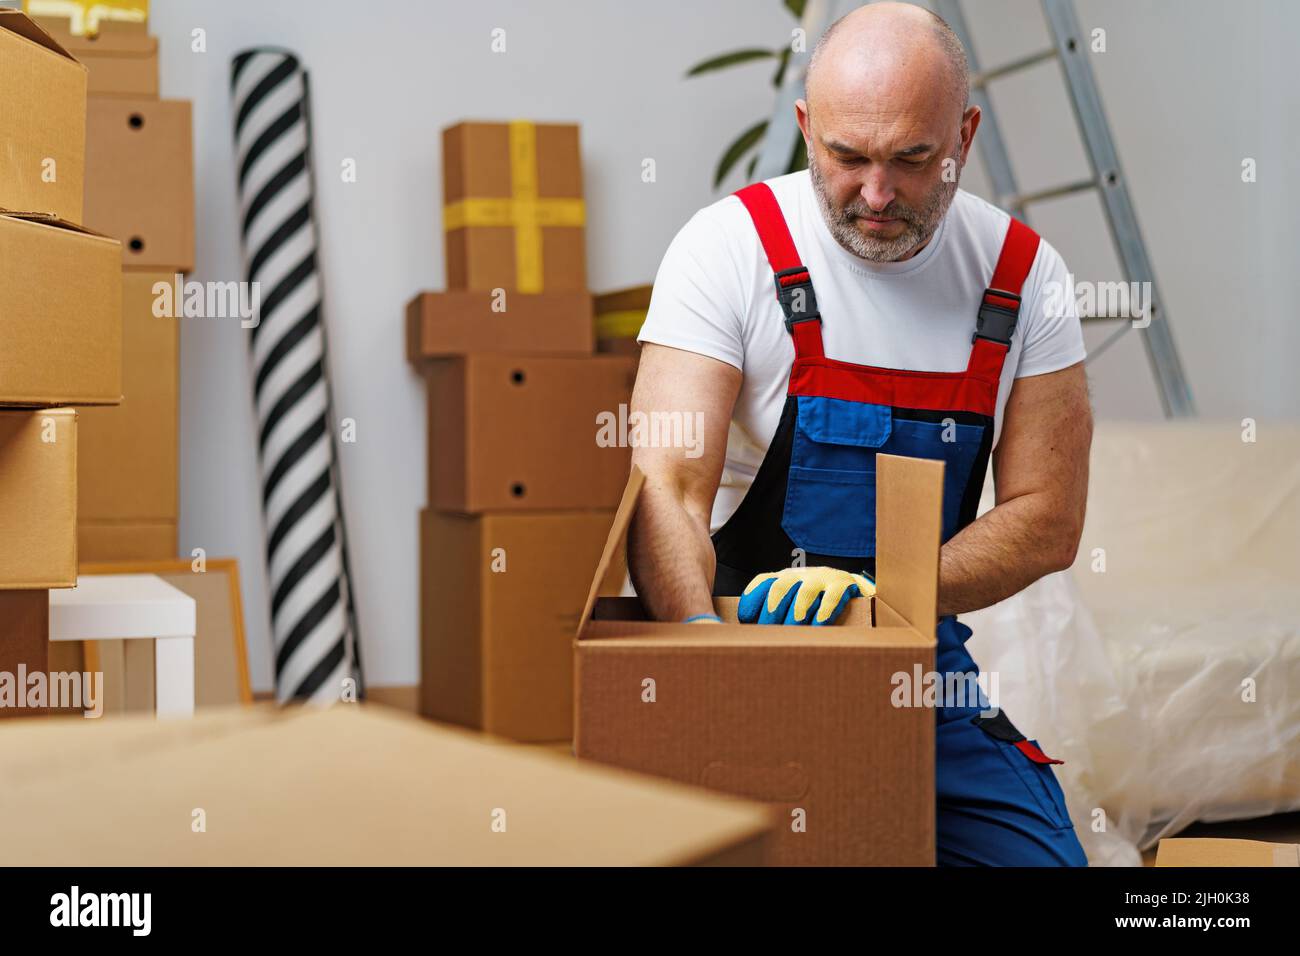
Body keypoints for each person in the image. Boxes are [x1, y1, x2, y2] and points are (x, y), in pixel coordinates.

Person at [627, 2, 1092, 866]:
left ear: (965, 132)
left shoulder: (1024, 277)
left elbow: (1049, 516)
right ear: (806, 128)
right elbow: (667, 489)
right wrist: (699, 656)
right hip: (744, 653)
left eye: (913, 160)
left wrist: (882, 600)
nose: (875, 195)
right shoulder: (728, 250)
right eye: (845, 157)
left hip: (917, 660)